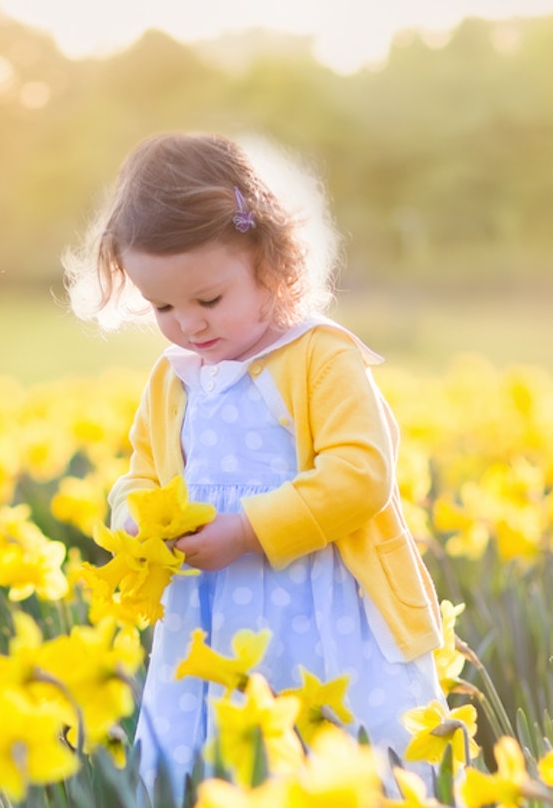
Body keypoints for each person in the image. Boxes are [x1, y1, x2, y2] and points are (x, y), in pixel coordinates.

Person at [63, 132, 445, 796]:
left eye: (208, 300)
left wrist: (246, 532)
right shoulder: (173, 377)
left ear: (272, 266)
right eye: (163, 307)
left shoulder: (320, 356)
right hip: (204, 618)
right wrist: (134, 519)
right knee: (214, 766)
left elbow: (361, 477)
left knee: (333, 761)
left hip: (322, 604)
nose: (188, 325)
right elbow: (143, 472)